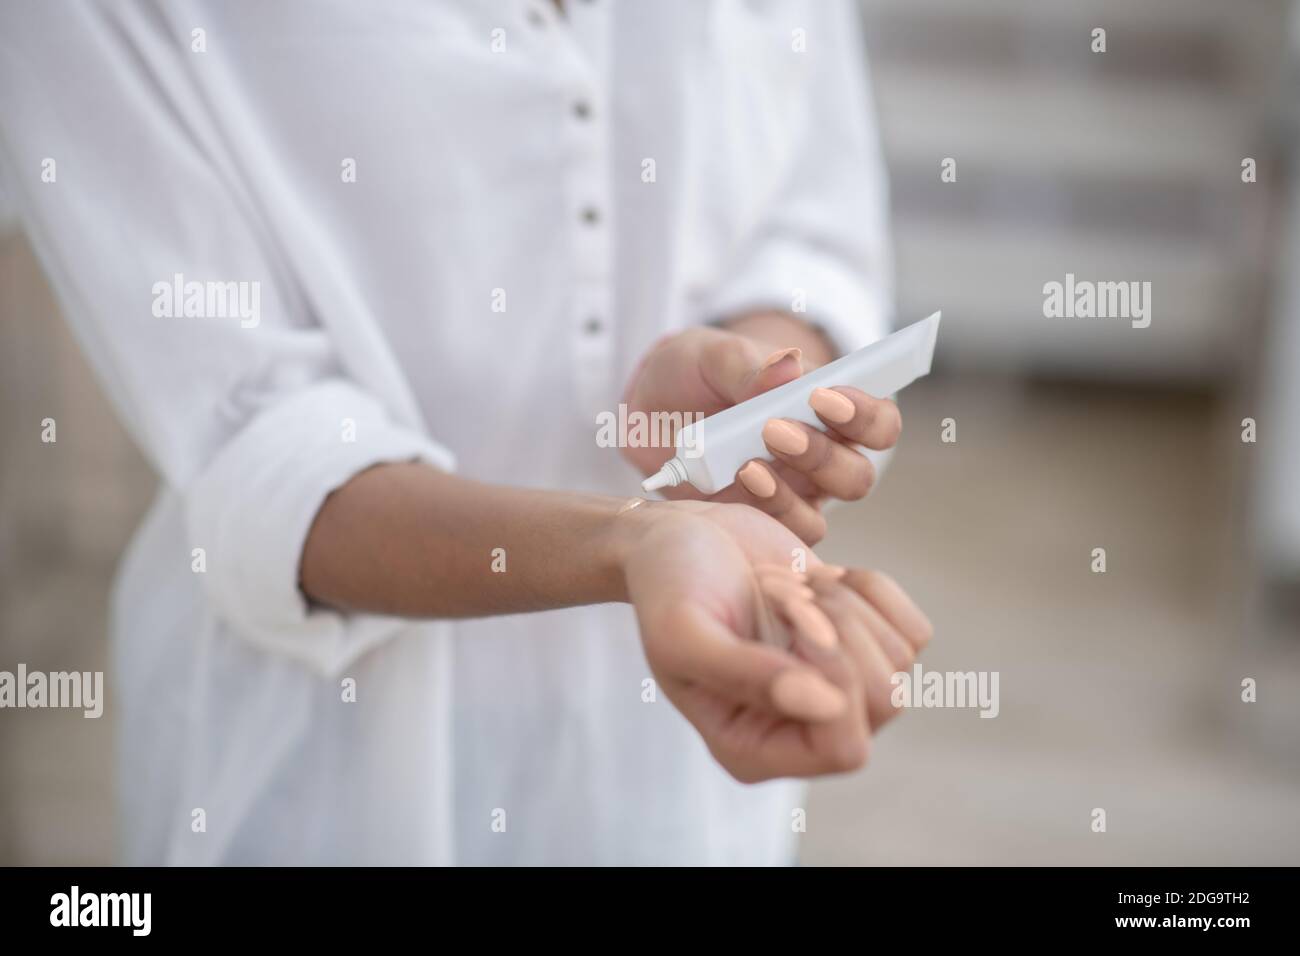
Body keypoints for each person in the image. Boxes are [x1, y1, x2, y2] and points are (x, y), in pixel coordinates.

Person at [0, 0, 931, 864]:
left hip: (674, 771)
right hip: (311, 781)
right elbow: (257, 449)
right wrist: (628, 541)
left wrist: (754, 388)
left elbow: (807, 220)